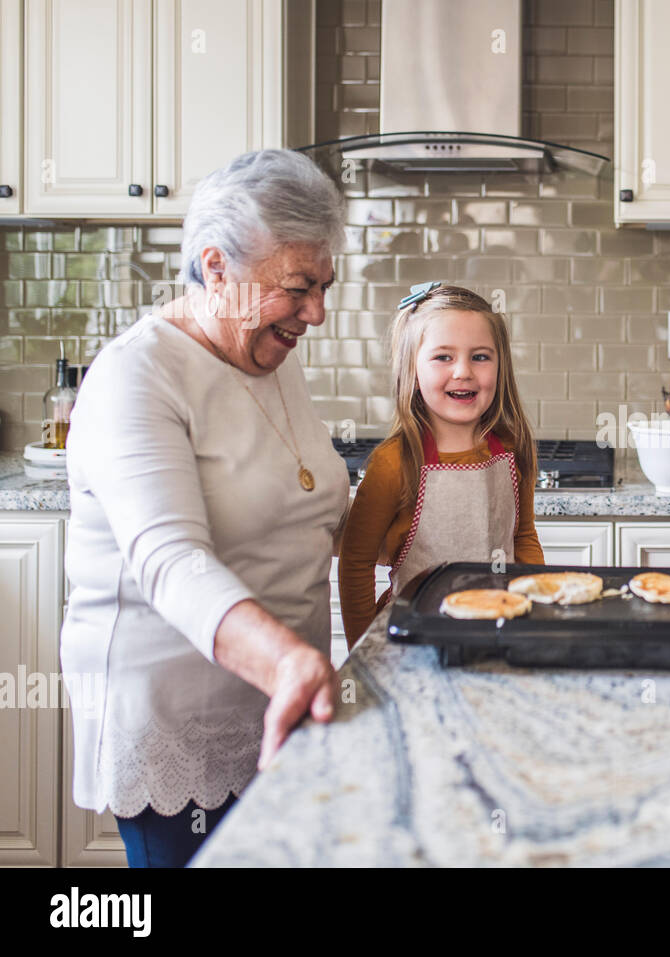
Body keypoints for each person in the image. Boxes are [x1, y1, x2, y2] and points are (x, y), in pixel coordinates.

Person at [60, 149, 349, 866]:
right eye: (298, 287)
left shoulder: (267, 353)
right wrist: (288, 661)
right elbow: (171, 560)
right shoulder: (136, 376)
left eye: (324, 287)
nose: (316, 313)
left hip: (274, 709)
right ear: (216, 267)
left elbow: (297, 500)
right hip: (179, 722)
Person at [339, 283, 545, 646]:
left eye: (480, 356)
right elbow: (356, 563)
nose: (464, 371)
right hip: (415, 640)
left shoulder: (512, 450)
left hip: (498, 632)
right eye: (443, 357)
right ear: (412, 369)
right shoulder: (394, 464)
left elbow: (522, 538)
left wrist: (537, 617)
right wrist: (364, 650)